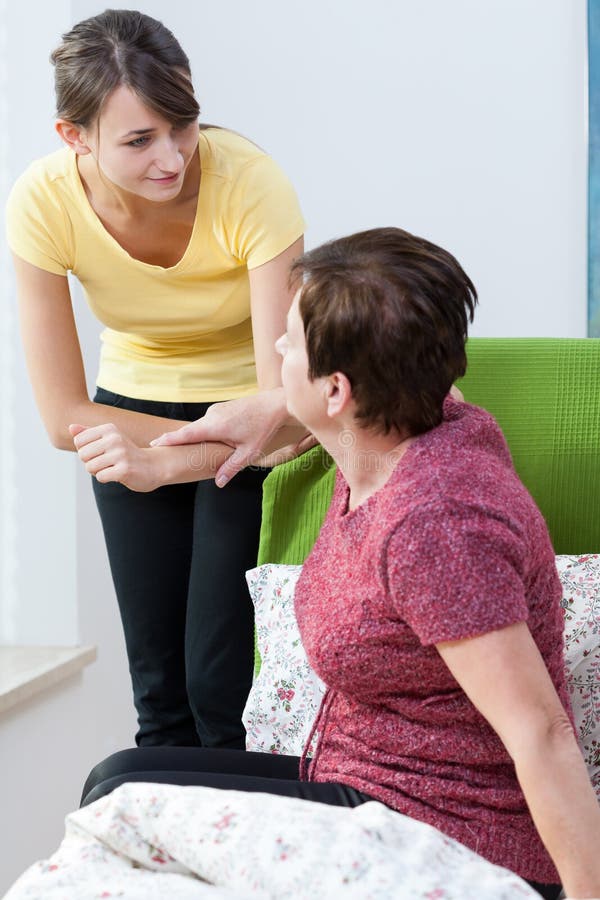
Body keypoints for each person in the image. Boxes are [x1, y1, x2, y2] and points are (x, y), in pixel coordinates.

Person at [77, 228, 600, 899]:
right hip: (364, 785)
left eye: (292, 341)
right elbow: (367, 368)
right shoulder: (420, 420)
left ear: (337, 391)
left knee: (120, 801)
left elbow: (542, 732)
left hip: (448, 833)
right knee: (117, 779)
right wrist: (202, 444)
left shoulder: (436, 526)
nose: (276, 348)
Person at [5, 9, 308, 750]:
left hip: (250, 420)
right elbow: (64, 416)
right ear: (74, 137)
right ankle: (157, 827)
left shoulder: (250, 184)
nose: (171, 157)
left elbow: (284, 409)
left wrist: (174, 457)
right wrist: (176, 451)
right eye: (139, 140)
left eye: (184, 124)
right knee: (160, 695)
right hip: (138, 413)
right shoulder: (43, 201)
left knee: (222, 689)